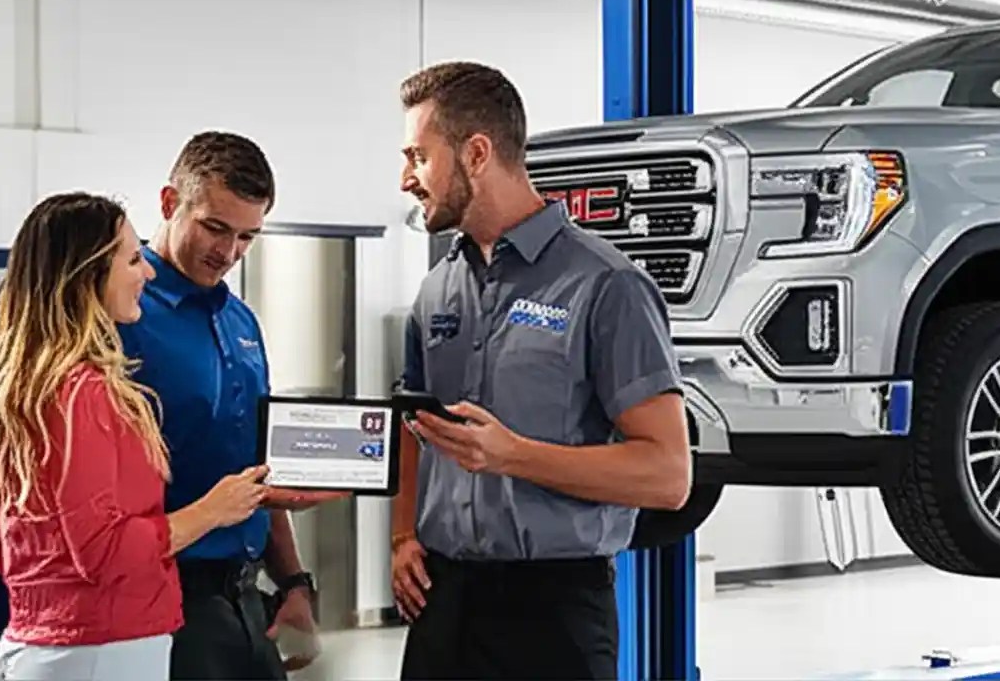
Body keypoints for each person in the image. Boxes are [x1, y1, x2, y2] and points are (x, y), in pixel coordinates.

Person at [389, 61, 693, 680]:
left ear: (476, 153)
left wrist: (511, 455)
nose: (405, 179)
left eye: (419, 157)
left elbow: (667, 475)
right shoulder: (435, 291)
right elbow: (411, 425)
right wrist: (402, 538)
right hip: (441, 605)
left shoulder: (607, 286)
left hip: (552, 615)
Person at [0, 192, 270, 680]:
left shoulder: (32, 385)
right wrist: (212, 510)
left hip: (66, 638)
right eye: (132, 259)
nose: (146, 272)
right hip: (97, 644)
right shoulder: (81, 393)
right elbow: (101, 549)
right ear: (88, 276)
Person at [116, 131, 342, 680]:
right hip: (157, 599)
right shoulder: (120, 313)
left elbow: (256, 465)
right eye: (215, 228)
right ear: (170, 203)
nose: (229, 252)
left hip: (246, 596)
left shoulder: (241, 321)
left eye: (247, 236)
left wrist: (293, 583)